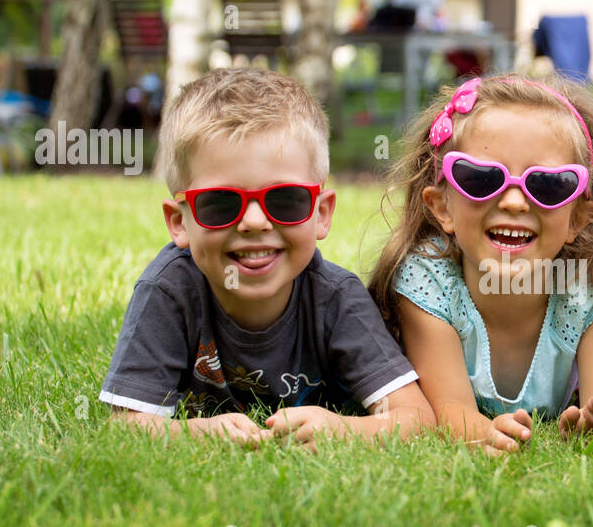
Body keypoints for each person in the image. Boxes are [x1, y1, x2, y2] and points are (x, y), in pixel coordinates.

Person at [100, 68, 433, 447]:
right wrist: (193, 434)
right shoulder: (169, 291)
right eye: (220, 204)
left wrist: (343, 430)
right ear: (179, 222)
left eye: (285, 200)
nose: (254, 222)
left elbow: (416, 417)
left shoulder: (337, 298)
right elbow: (127, 426)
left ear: (321, 214)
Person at [368, 74, 593, 455]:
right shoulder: (427, 282)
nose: (515, 202)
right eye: (481, 179)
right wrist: (484, 433)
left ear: (579, 218)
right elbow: (452, 411)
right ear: (441, 207)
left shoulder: (587, 291)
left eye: (548, 185)